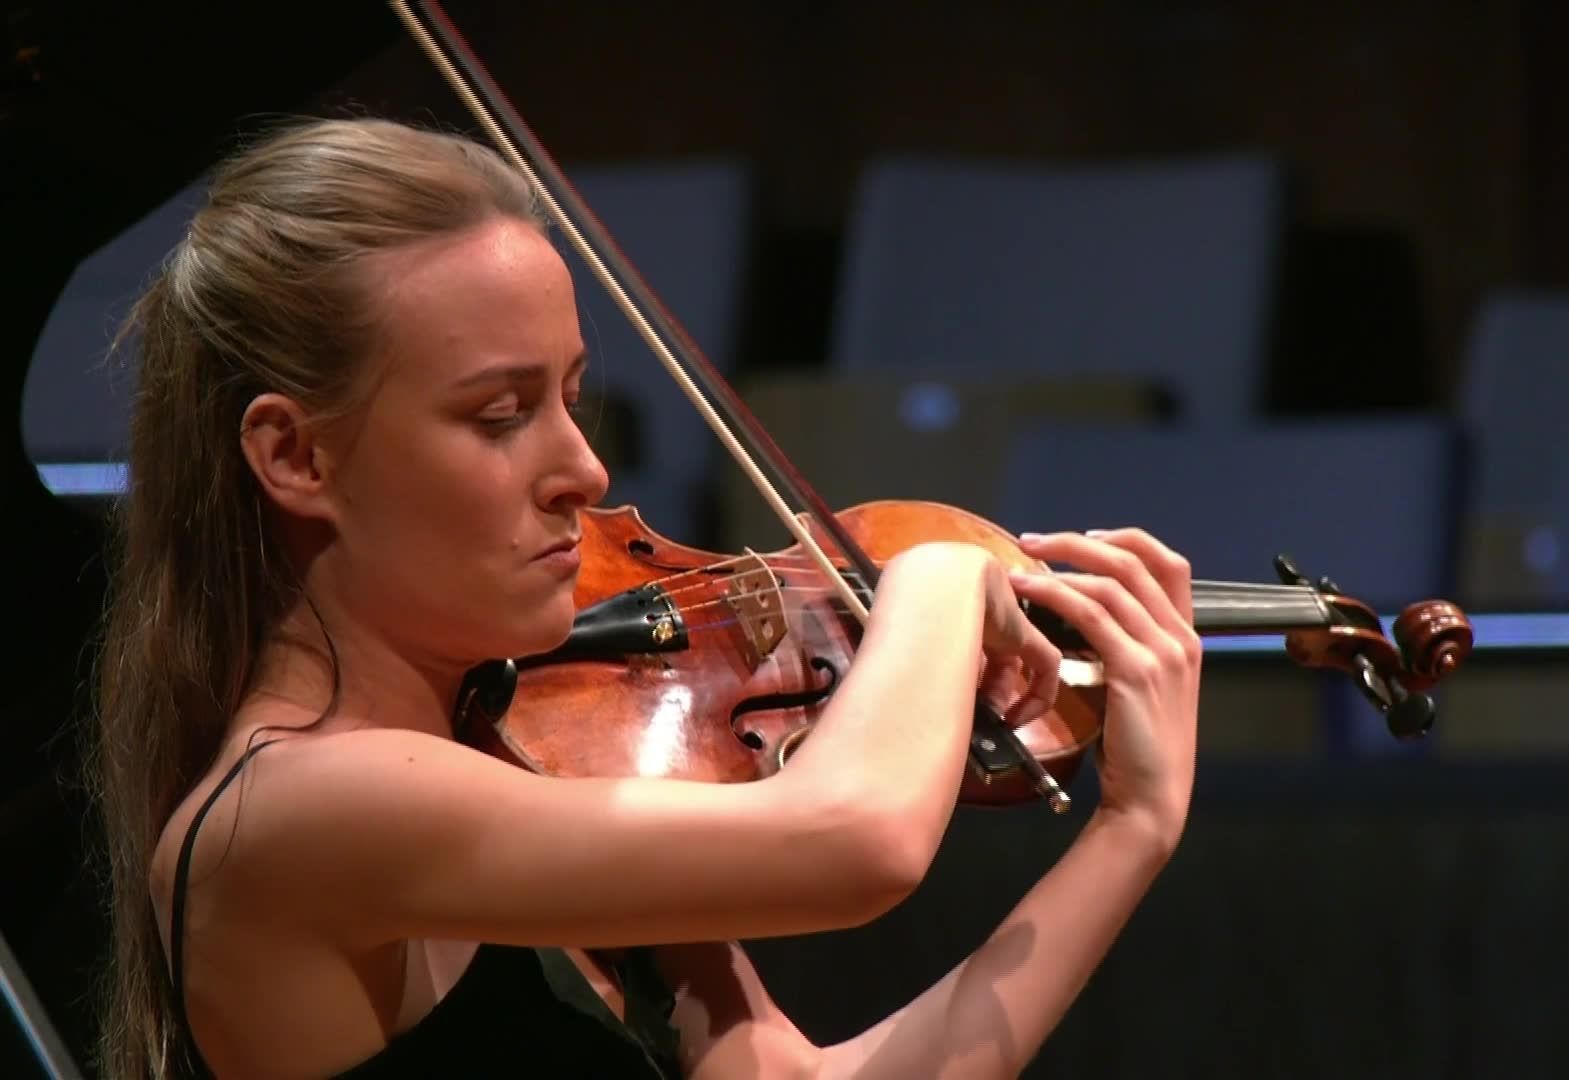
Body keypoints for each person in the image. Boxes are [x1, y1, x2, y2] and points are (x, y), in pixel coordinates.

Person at [83, 115, 1202, 1079]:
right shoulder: (287, 813)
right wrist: (939, 572)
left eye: (570, 397)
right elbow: (856, 841)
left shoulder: (528, 762)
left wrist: (1132, 828)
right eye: (499, 415)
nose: (585, 469)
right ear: (296, 457)